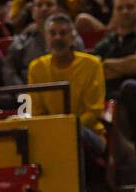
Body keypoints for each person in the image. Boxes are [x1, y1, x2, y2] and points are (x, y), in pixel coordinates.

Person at [29, 12, 106, 165]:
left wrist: (66, 128)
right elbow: (37, 112)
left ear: (72, 37)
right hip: (51, 133)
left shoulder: (92, 64)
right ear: (46, 38)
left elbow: (94, 111)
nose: (58, 38)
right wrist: (57, 130)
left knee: (76, 135)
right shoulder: (36, 68)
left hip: (87, 132)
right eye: (52, 33)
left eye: (63, 33)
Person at [93, 0, 136, 164]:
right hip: (107, 97)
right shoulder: (104, 45)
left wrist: (108, 64)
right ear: (113, 13)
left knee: (131, 86)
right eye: (120, 8)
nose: (125, 11)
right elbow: (95, 70)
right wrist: (128, 63)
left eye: (129, 7)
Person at [5, 0, 84, 82]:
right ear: (33, 12)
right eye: (39, 5)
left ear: (58, 9)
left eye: (49, 5)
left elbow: (81, 70)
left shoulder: (73, 40)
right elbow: (9, 72)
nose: (44, 9)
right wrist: (24, 95)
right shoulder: (20, 42)